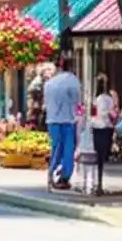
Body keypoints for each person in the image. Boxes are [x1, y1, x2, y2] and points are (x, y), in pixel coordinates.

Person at [43, 57, 81, 191]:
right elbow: (77, 99)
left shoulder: (50, 83)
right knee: (68, 149)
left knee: (55, 148)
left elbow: (46, 102)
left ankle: (51, 172)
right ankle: (64, 177)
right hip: (67, 119)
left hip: (52, 120)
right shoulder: (73, 81)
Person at [91, 78, 116, 195]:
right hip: (107, 127)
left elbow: (93, 115)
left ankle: (98, 183)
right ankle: (99, 183)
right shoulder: (109, 99)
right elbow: (112, 114)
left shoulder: (96, 100)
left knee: (98, 156)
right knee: (103, 155)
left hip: (97, 127)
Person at [76, 103, 98, 195]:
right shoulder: (96, 122)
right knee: (92, 168)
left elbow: (78, 135)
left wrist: (77, 149)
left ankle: (85, 185)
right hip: (93, 148)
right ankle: (92, 185)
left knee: (84, 168)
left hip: (84, 148)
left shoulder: (81, 121)